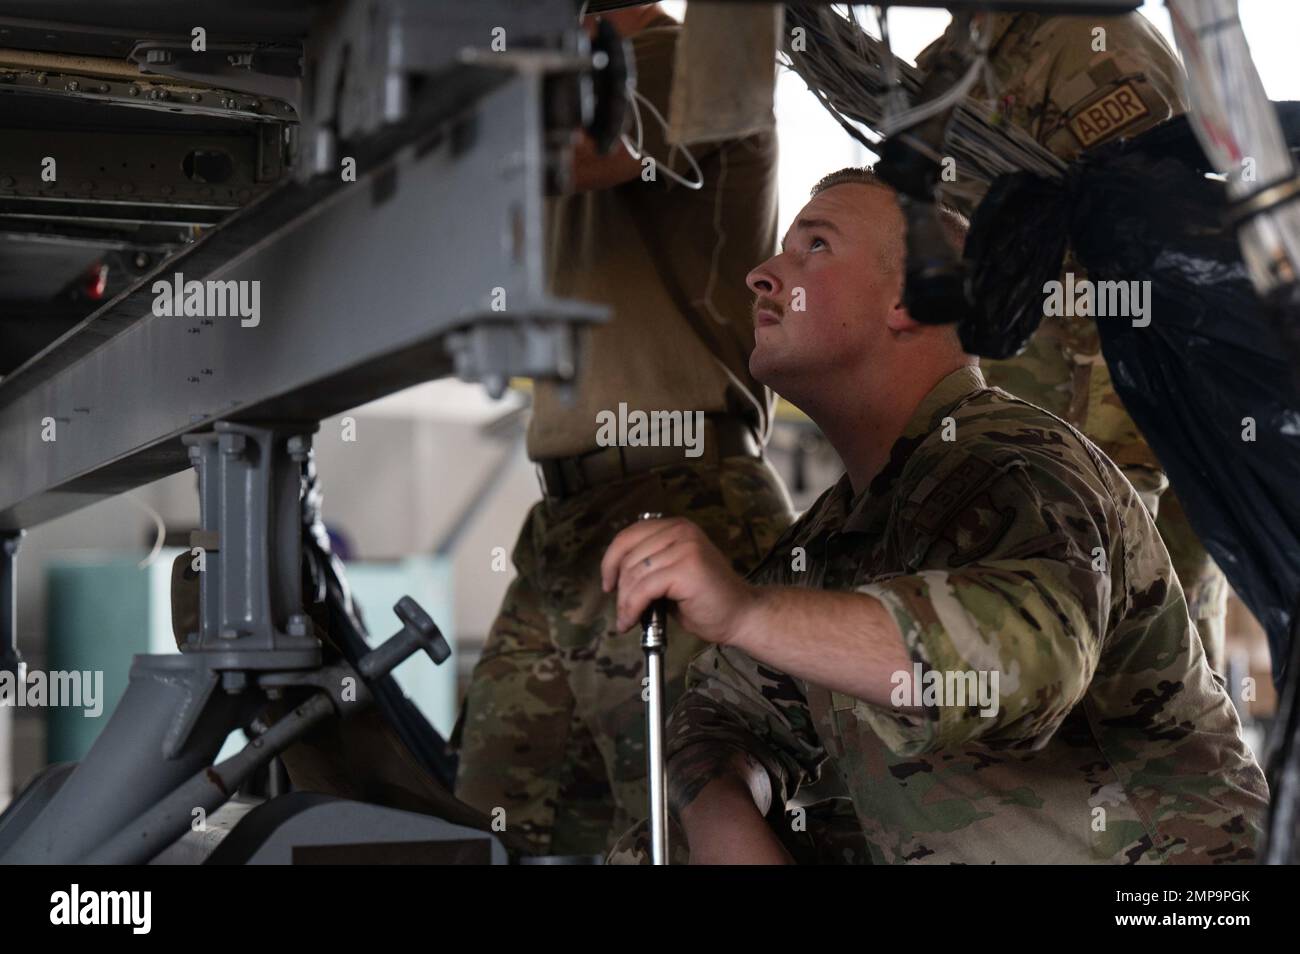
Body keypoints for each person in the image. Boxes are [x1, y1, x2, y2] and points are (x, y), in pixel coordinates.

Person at [603, 169, 1268, 864]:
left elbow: (1024, 666)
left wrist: (748, 613)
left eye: (815, 247)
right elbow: (718, 721)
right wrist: (726, 824)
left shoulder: (1015, 467)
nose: (763, 275)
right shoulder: (840, 530)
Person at [451, 3, 794, 857]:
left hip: (683, 502)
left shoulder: (688, 60)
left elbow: (570, 152)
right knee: (490, 825)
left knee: (681, 825)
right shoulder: (550, 86)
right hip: (567, 522)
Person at [916, 10, 1231, 673]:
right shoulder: (957, 55)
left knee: (1141, 712)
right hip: (1025, 468)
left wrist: (1115, 492)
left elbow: (1152, 285)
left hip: (1100, 473)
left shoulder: (1091, 42)